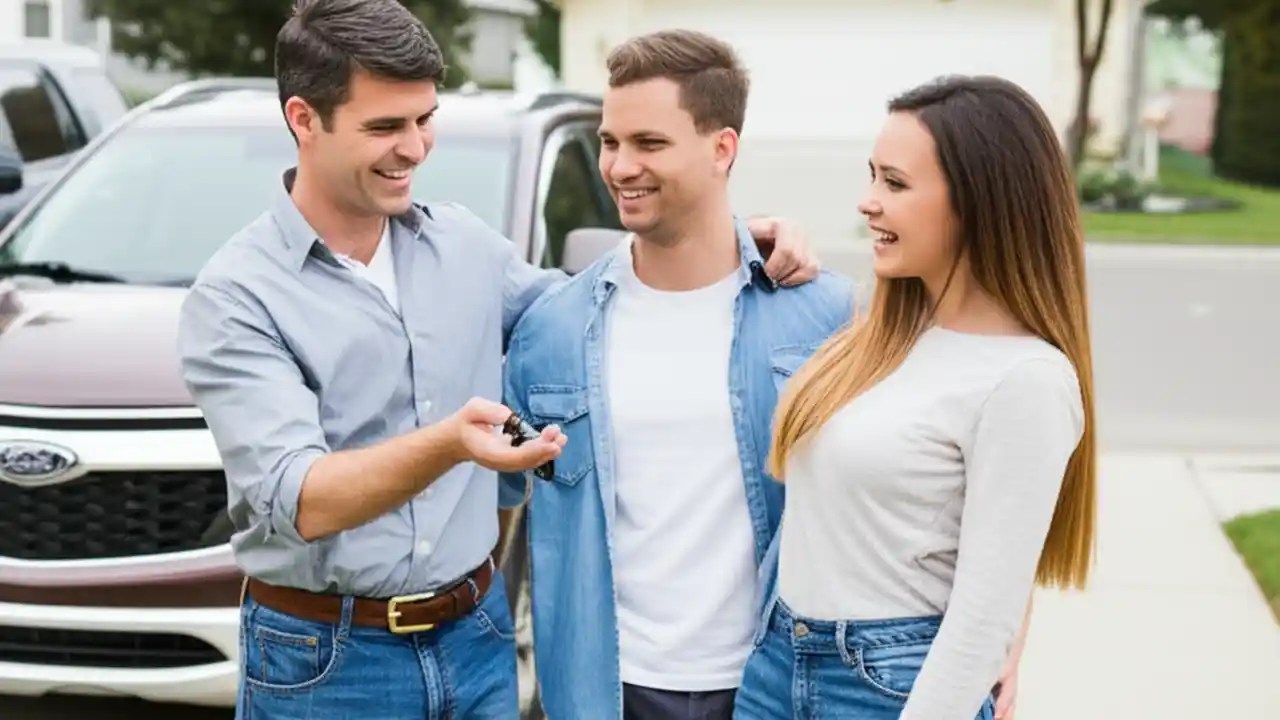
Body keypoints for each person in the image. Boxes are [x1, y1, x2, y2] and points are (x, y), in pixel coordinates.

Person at [176, 2, 818, 717]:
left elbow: (605, 313)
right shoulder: (237, 296)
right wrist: (451, 445)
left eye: (424, 120)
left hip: (477, 642)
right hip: (328, 662)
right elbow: (301, 500)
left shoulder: (465, 247)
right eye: (385, 127)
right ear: (303, 119)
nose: (415, 148)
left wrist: (730, 238)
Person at [499, 30, 854, 720]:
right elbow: (497, 516)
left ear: (723, 148)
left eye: (649, 144)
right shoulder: (553, 329)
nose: (620, 166)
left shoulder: (822, 316)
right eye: (609, 142)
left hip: (774, 686)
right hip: (602, 691)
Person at [733, 74, 1097, 720]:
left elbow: (984, 621)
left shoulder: (1027, 381)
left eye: (894, 184)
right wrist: (736, 242)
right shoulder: (878, 336)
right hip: (776, 665)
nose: (867, 203)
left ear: (981, 202)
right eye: (872, 176)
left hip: (887, 686)